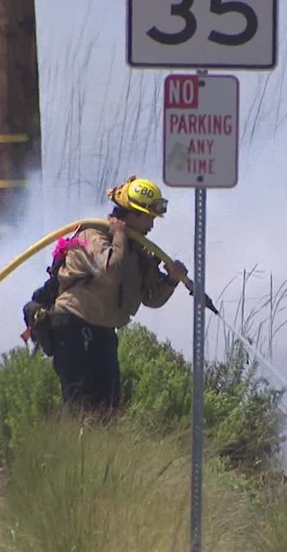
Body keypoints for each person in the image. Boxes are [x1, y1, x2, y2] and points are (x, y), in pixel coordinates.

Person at [46, 175, 187, 422]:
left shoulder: (136, 249)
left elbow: (151, 298)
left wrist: (171, 280)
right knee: (78, 401)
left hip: (102, 331)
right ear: (129, 214)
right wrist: (119, 235)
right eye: (147, 217)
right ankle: (65, 449)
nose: (152, 225)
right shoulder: (94, 235)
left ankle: (100, 453)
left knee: (109, 406)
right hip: (74, 324)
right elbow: (109, 272)